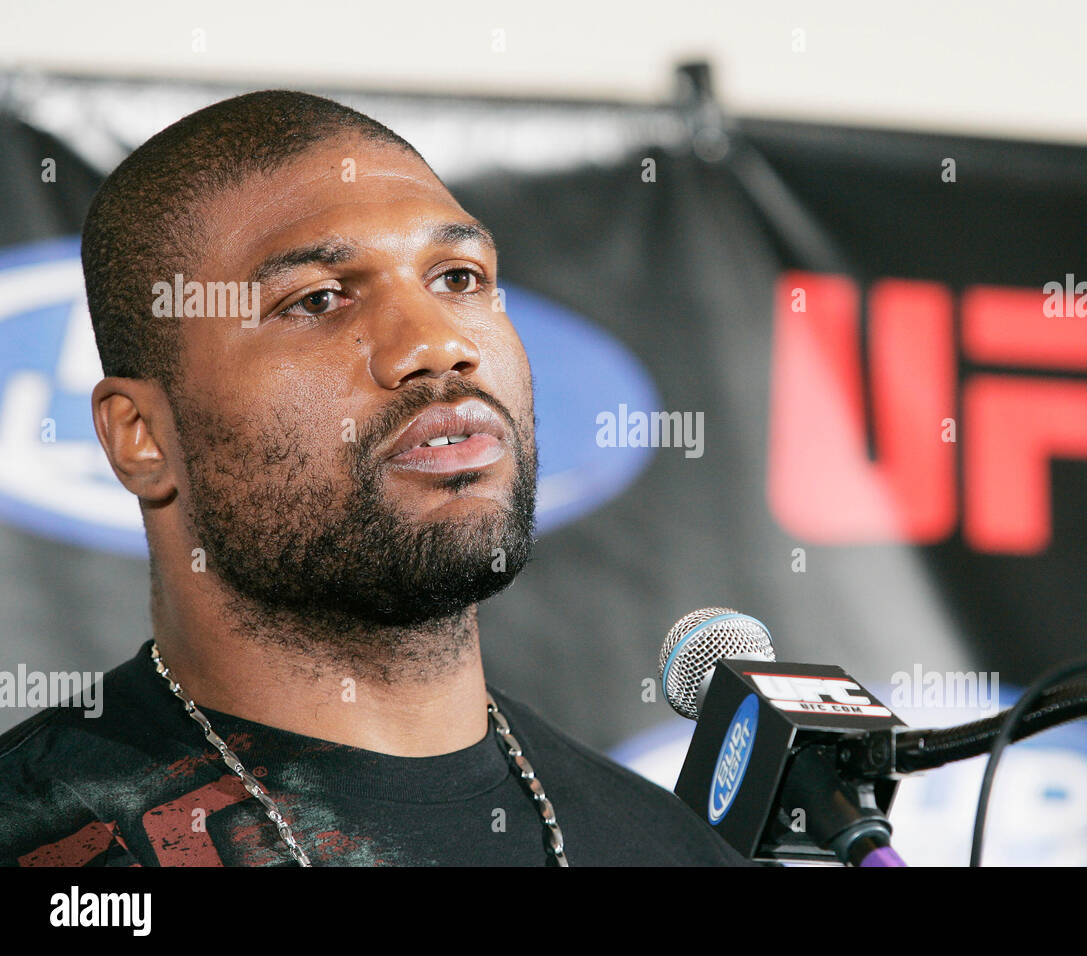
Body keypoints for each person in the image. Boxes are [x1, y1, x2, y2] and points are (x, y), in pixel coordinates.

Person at [0, 90, 749, 867]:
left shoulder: (674, 852)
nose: (437, 343)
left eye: (457, 279)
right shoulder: (36, 836)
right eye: (318, 299)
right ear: (142, 436)